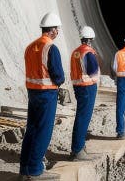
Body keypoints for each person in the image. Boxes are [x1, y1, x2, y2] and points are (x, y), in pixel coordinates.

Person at [19, 12, 65, 179]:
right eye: (57, 29)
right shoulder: (51, 48)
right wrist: (60, 81)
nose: (58, 32)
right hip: (47, 94)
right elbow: (58, 76)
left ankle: (24, 168)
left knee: (31, 129)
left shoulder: (31, 47)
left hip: (33, 93)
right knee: (43, 131)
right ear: (52, 30)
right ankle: (35, 169)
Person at [69, 25, 100, 160]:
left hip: (78, 87)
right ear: (90, 39)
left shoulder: (75, 52)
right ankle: (78, 150)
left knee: (80, 117)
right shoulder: (88, 52)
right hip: (88, 87)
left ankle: (79, 147)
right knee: (84, 118)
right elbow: (93, 71)